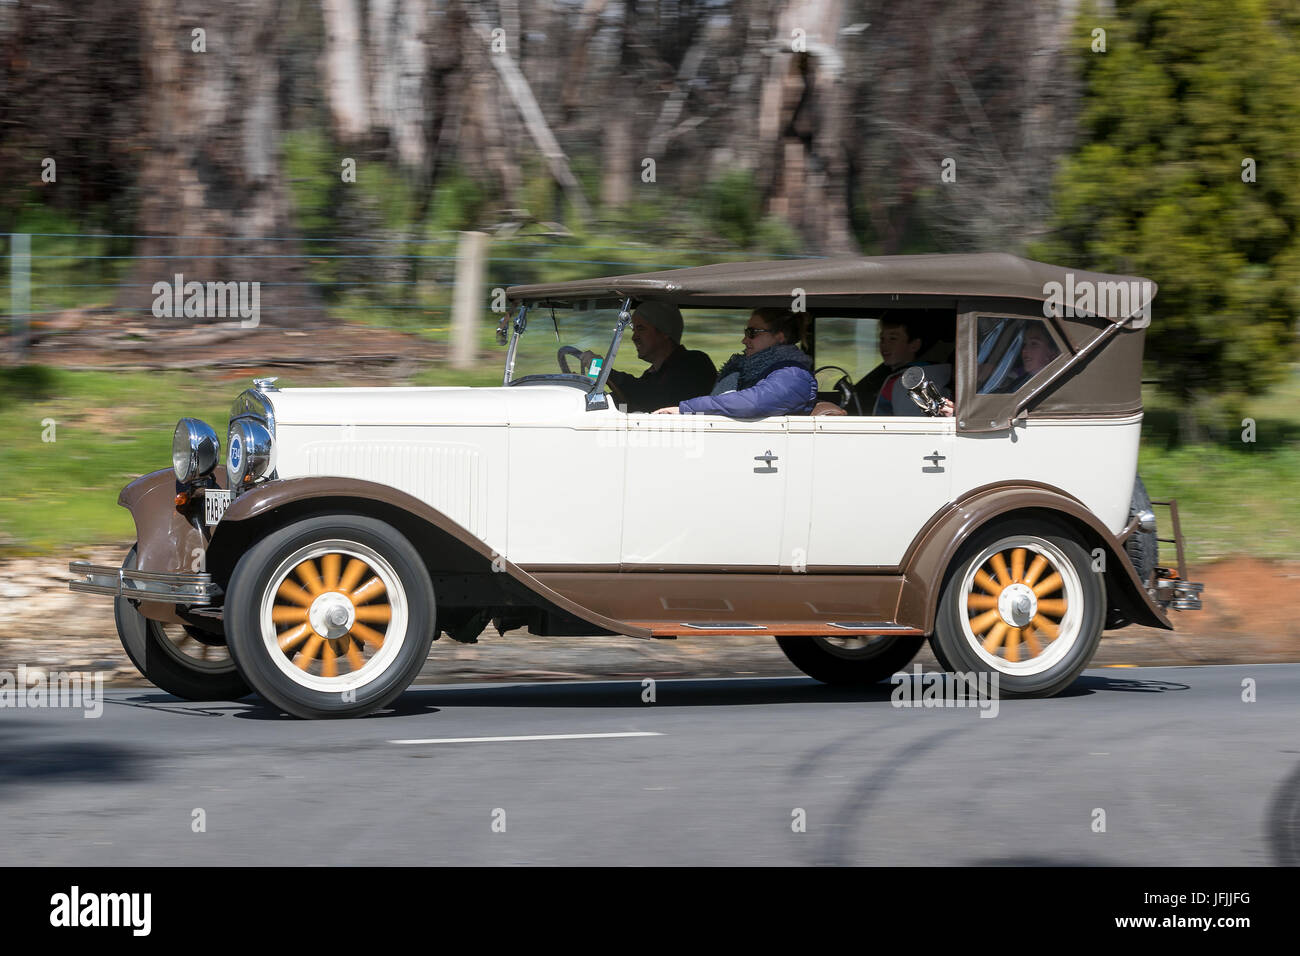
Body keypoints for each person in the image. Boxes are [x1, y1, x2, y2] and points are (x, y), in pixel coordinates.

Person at [653, 308, 816, 417]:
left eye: (752, 333)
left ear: (780, 337)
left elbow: (753, 402)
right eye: (745, 332)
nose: (744, 340)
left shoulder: (793, 374)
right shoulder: (745, 371)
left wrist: (686, 409)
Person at [582, 301, 716, 413]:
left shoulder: (694, 363)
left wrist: (603, 369)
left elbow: (653, 398)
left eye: (641, 329)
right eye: (634, 329)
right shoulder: (653, 373)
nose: (634, 337)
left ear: (664, 332)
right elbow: (628, 399)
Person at [852, 317, 935, 415]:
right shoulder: (931, 372)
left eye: (893, 338)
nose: (884, 345)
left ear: (914, 345)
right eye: (882, 339)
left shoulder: (903, 382)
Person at [994, 323, 1059, 393]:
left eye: (1034, 343)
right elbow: (1016, 373)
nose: (1024, 350)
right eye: (1025, 344)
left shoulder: (1051, 388)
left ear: (1053, 352)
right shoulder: (1026, 376)